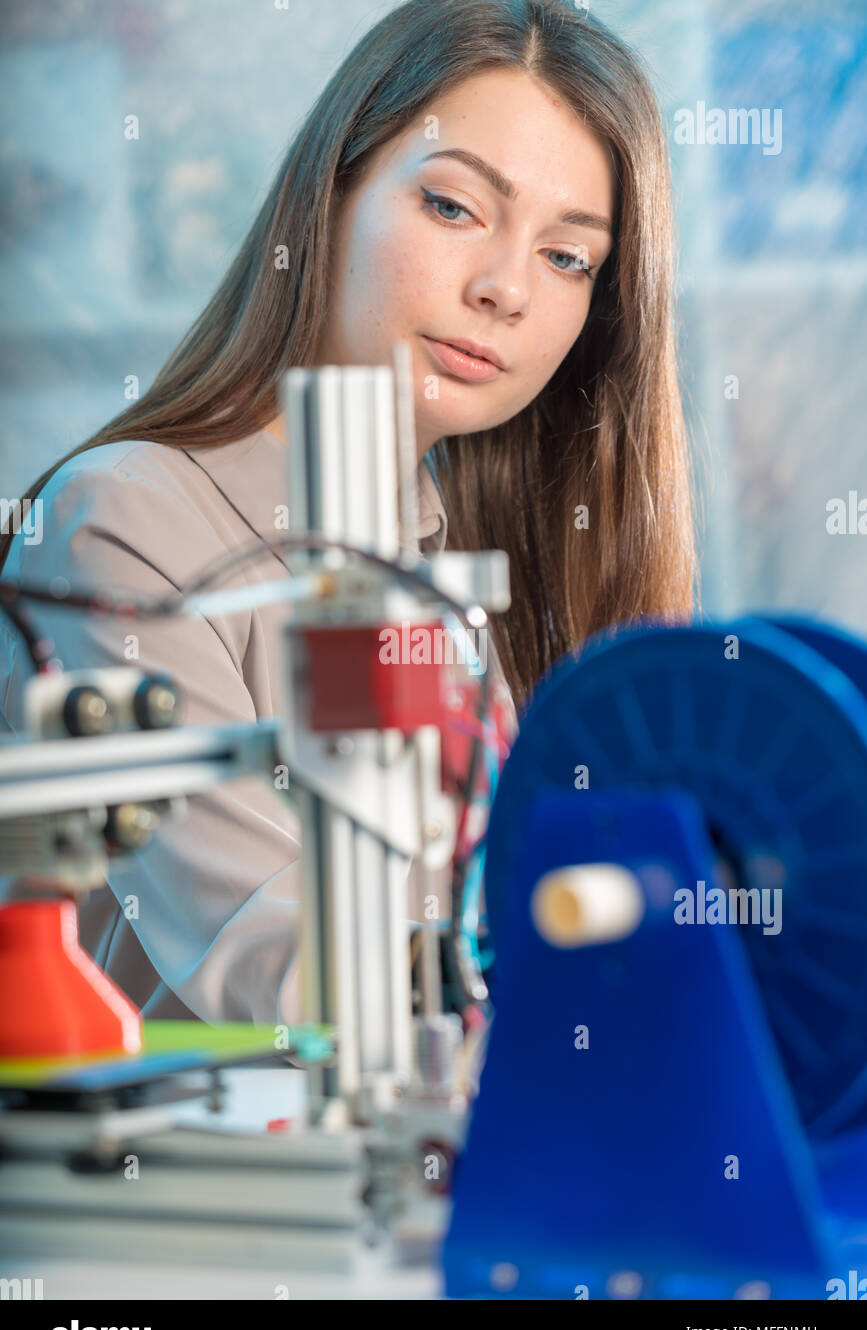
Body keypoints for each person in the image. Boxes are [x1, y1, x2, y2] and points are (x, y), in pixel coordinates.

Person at [0, 0, 698, 1024]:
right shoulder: (123, 520)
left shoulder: (452, 559)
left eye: (567, 257)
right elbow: (270, 961)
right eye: (455, 206)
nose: (507, 288)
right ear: (330, 194)